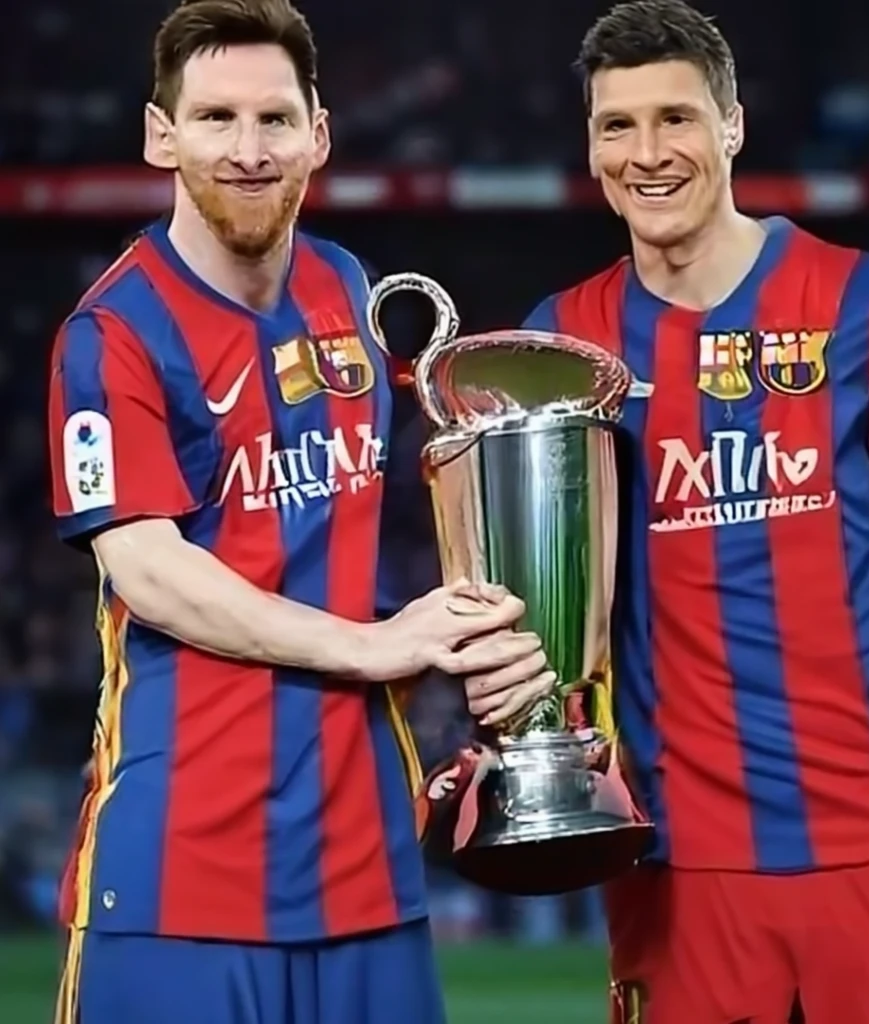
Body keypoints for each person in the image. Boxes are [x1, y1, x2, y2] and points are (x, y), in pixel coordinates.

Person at [511, 2, 869, 1021]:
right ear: (590, 144)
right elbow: (552, 599)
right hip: (678, 860)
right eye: (617, 125)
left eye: (676, 118)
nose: (648, 153)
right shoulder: (560, 341)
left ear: (732, 125)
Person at [45, 2, 553, 1023]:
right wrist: (374, 646)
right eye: (216, 117)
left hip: (367, 868)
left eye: (274, 119)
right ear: (161, 134)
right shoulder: (113, 333)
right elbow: (144, 567)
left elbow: (358, 541)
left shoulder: (347, 290)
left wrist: (469, 628)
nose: (246, 149)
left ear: (317, 134)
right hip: (179, 881)